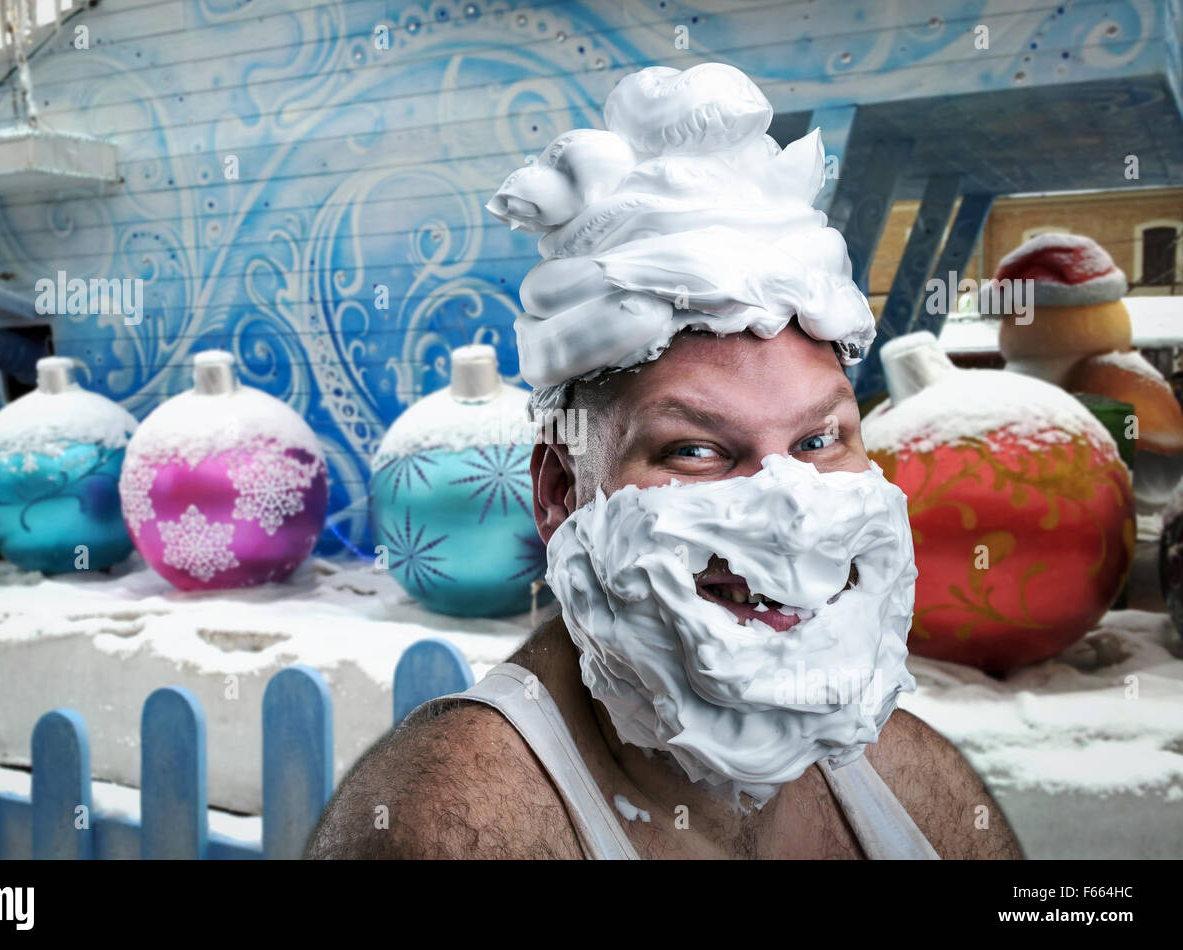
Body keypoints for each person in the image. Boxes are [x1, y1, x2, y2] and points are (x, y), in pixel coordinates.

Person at [307, 62, 1024, 860]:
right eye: (695, 452)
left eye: (819, 442)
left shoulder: (919, 780)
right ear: (559, 490)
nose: (790, 512)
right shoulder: (454, 828)